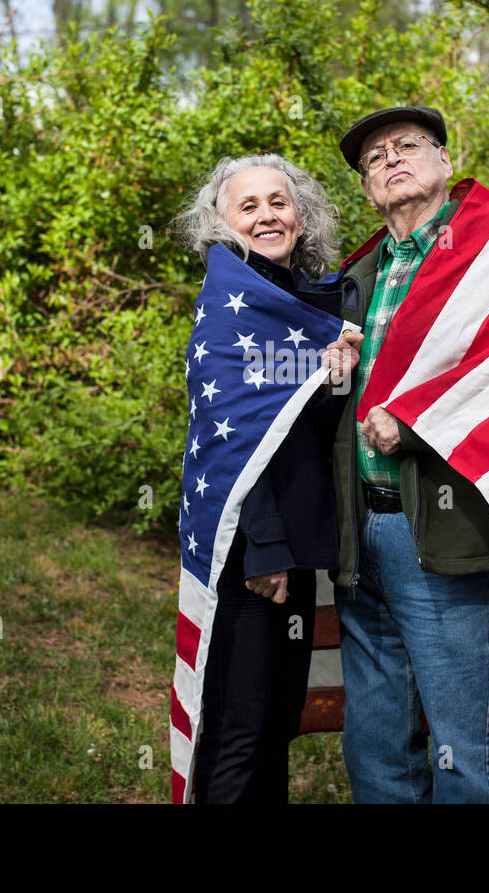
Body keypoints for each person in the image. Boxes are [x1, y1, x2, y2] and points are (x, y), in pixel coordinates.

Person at [329, 107, 489, 803]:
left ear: (445, 161)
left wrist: (416, 427)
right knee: (377, 741)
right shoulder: (358, 275)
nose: (390, 161)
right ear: (366, 191)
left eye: (407, 146)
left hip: (446, 529)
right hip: (365, 533)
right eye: (374, 160)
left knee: (460, 750)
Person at [173, 154, 362, 803]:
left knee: (280, 720)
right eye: (248, 206)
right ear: (222, 226)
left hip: (297, 545)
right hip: (252, 550)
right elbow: (232, 446)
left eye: (277, 202)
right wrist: (265, 551)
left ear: (301, 216)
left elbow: (312, 430)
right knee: (239, 727)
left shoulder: (309, 303)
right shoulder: (233, 307)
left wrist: (336, 377)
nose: (266, 215)